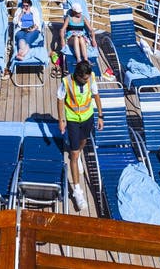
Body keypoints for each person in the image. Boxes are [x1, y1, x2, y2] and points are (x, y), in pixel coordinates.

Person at [57, 59, 104, 211]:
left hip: (88, 117)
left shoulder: (91, 78)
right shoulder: (66, 82)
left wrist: (100, 116)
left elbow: (96, 95)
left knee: (83, 141)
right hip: (72, 120)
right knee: (74, 153)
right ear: (77, 75)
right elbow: (59, 99)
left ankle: (76, 157)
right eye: (84, 78)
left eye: (88, 78)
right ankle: (77, 192)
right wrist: (61, 119)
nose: (87, 80)